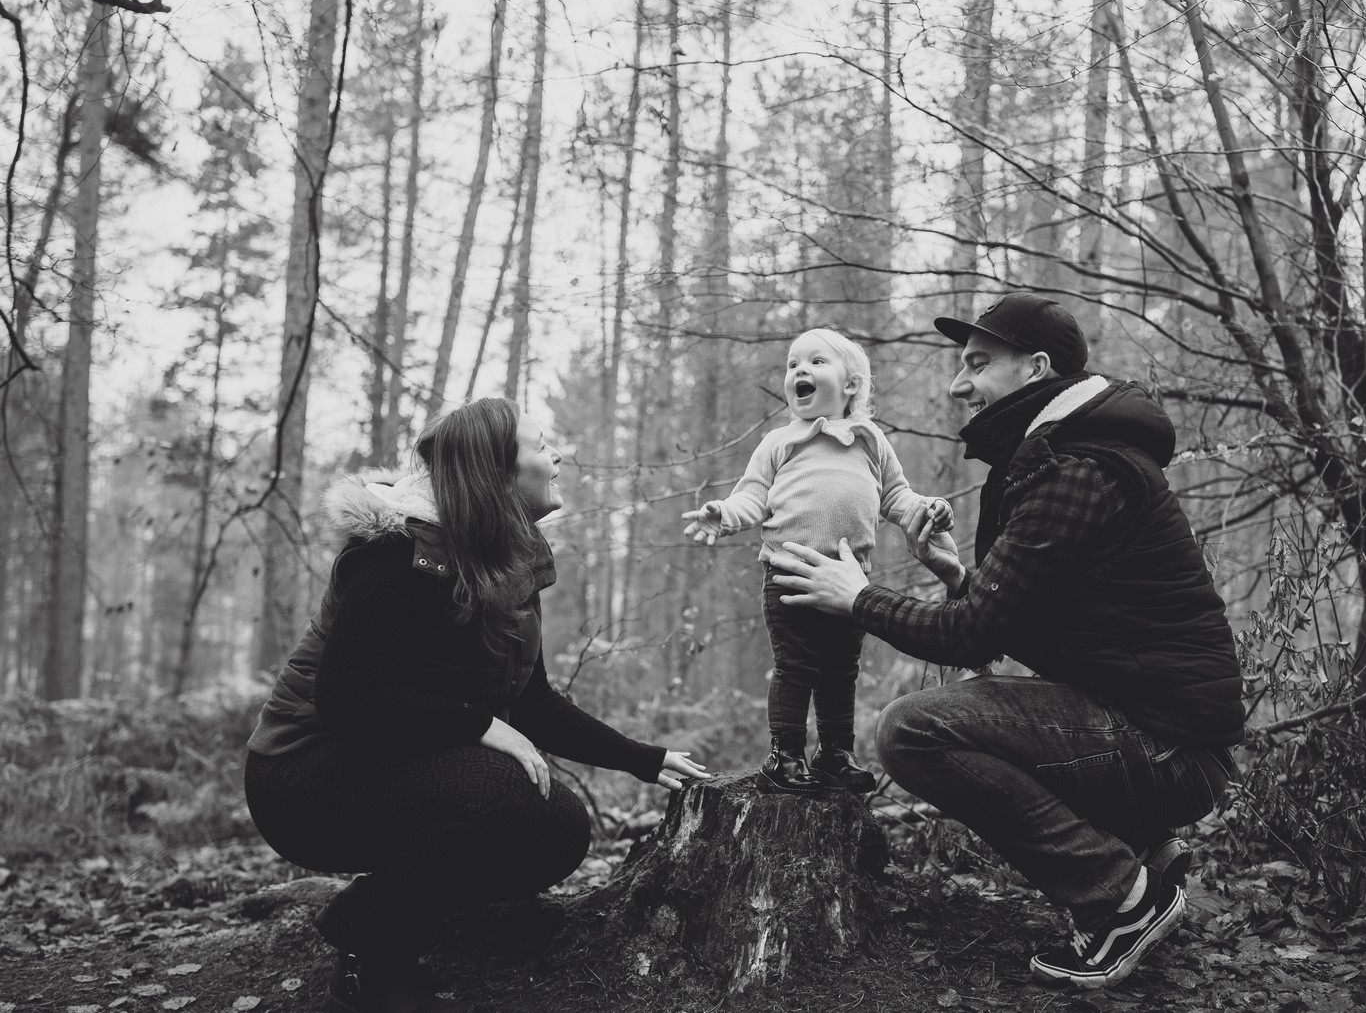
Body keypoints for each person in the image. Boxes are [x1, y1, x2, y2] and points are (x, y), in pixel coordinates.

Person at [768, 293, 1244, 989]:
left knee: (911, 730)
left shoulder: (1078, 468)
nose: (959, 384)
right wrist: (959, 576)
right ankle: (1147, 850)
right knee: (960, 717)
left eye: (978, 363)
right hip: (1158, 735)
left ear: (1036, 368)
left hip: (1167, 748)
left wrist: (858, 597)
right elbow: (1016, 627)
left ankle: (1121, 895)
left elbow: (974, 637)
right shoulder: (1064, 458)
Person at [245, 398, 708, 1013]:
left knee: (561, 829)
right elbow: (348, 697)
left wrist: (642, 759)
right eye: (542, 447)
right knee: (503, 790)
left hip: (386, 762)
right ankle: (375, 972)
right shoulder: (399, 555)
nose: (558, 456)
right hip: (303, 775)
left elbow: (534, 701)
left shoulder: (503, 559)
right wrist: (483, 726)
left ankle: (375, 911)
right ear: (496, 474)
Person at [682, 327, 952, 794]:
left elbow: (896, 496)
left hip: (851, 583)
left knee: (840, 671)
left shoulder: (871, 440)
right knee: (797, 666)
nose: (799, 371)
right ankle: (785, 755)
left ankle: (835, 754)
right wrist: (720, 514)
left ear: (851, 385)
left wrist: (927, 509)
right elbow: (753, 499)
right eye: (792, 365)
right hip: (791, 574)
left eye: (815, 362)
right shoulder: (779, 441)